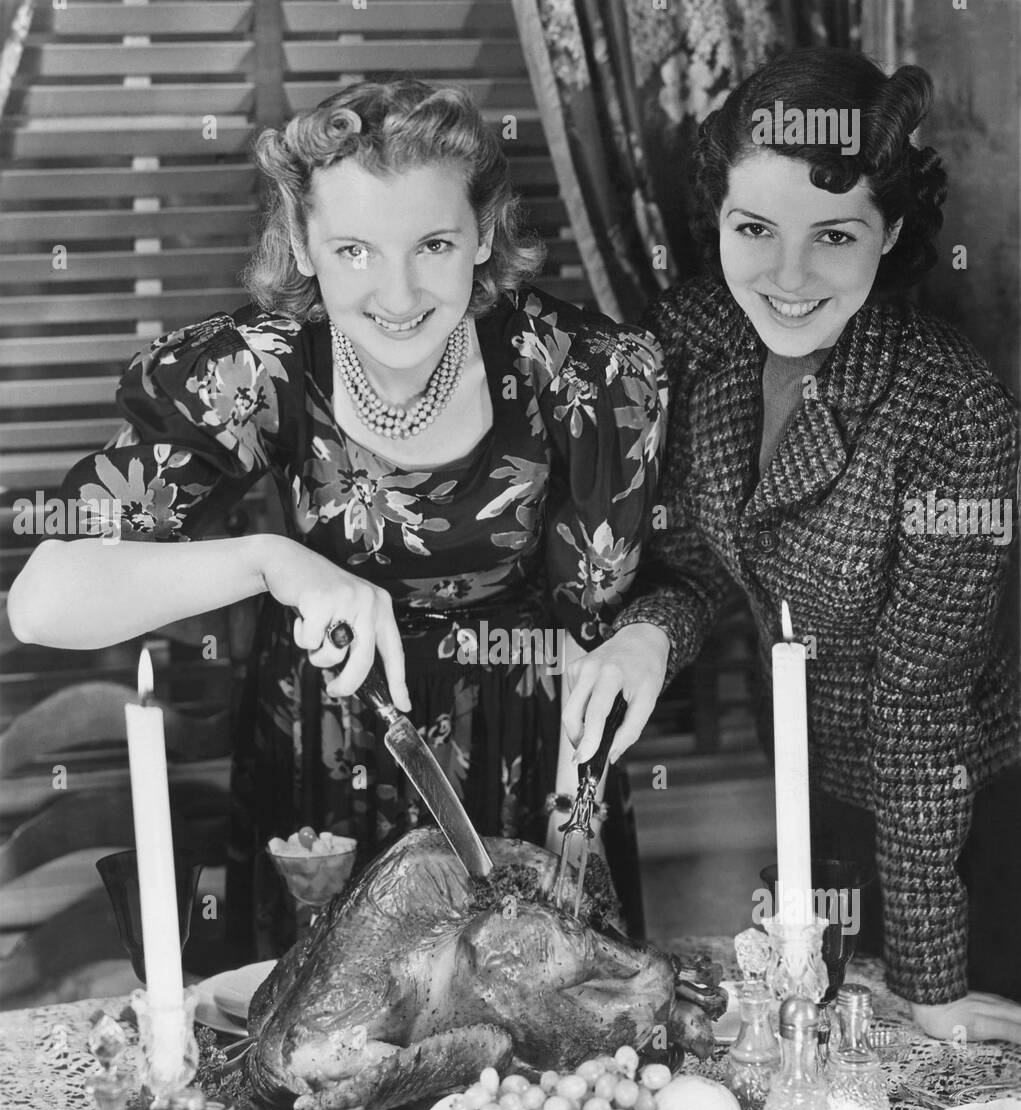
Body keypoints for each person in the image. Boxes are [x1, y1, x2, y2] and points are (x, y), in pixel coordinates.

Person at [9, 79, 670, 952]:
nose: (396, 293)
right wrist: (274, 561)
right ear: (303, 246)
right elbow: (42, 603)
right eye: (354, 249)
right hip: (323, 767)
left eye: (433, 242)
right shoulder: (260, 367)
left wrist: (566, 838)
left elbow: (605, 622)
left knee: (538, 1052)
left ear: (483, 238)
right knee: (323, 1056)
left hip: (535, 757)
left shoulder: (588, 373)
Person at [570, 49, 1020, 1043]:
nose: (785, 276)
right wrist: (647, 634)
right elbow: (692, 557)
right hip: (809, 773)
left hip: (963, 802)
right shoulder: (693, 336)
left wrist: (931, 977)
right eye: (754, 229)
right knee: (811, 1060)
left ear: (891, 232)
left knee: (948, 1092)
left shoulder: (956, 414)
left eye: (833, 236)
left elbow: (921, 708)